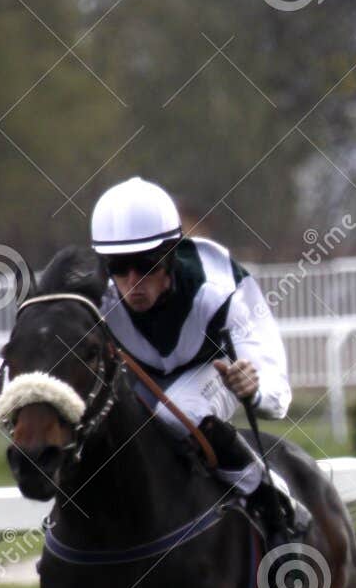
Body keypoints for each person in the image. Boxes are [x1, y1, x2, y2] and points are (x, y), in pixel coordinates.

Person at [89, 176, 309, 546]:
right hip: (143, 381)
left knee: (178, 412)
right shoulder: (96, 297)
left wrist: (253, 389)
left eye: (146, 264)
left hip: (213, 373)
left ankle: (272, 496)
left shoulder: (222, 290)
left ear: (171, 255)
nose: (132, 281)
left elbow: (277, 392)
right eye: (118, 266)